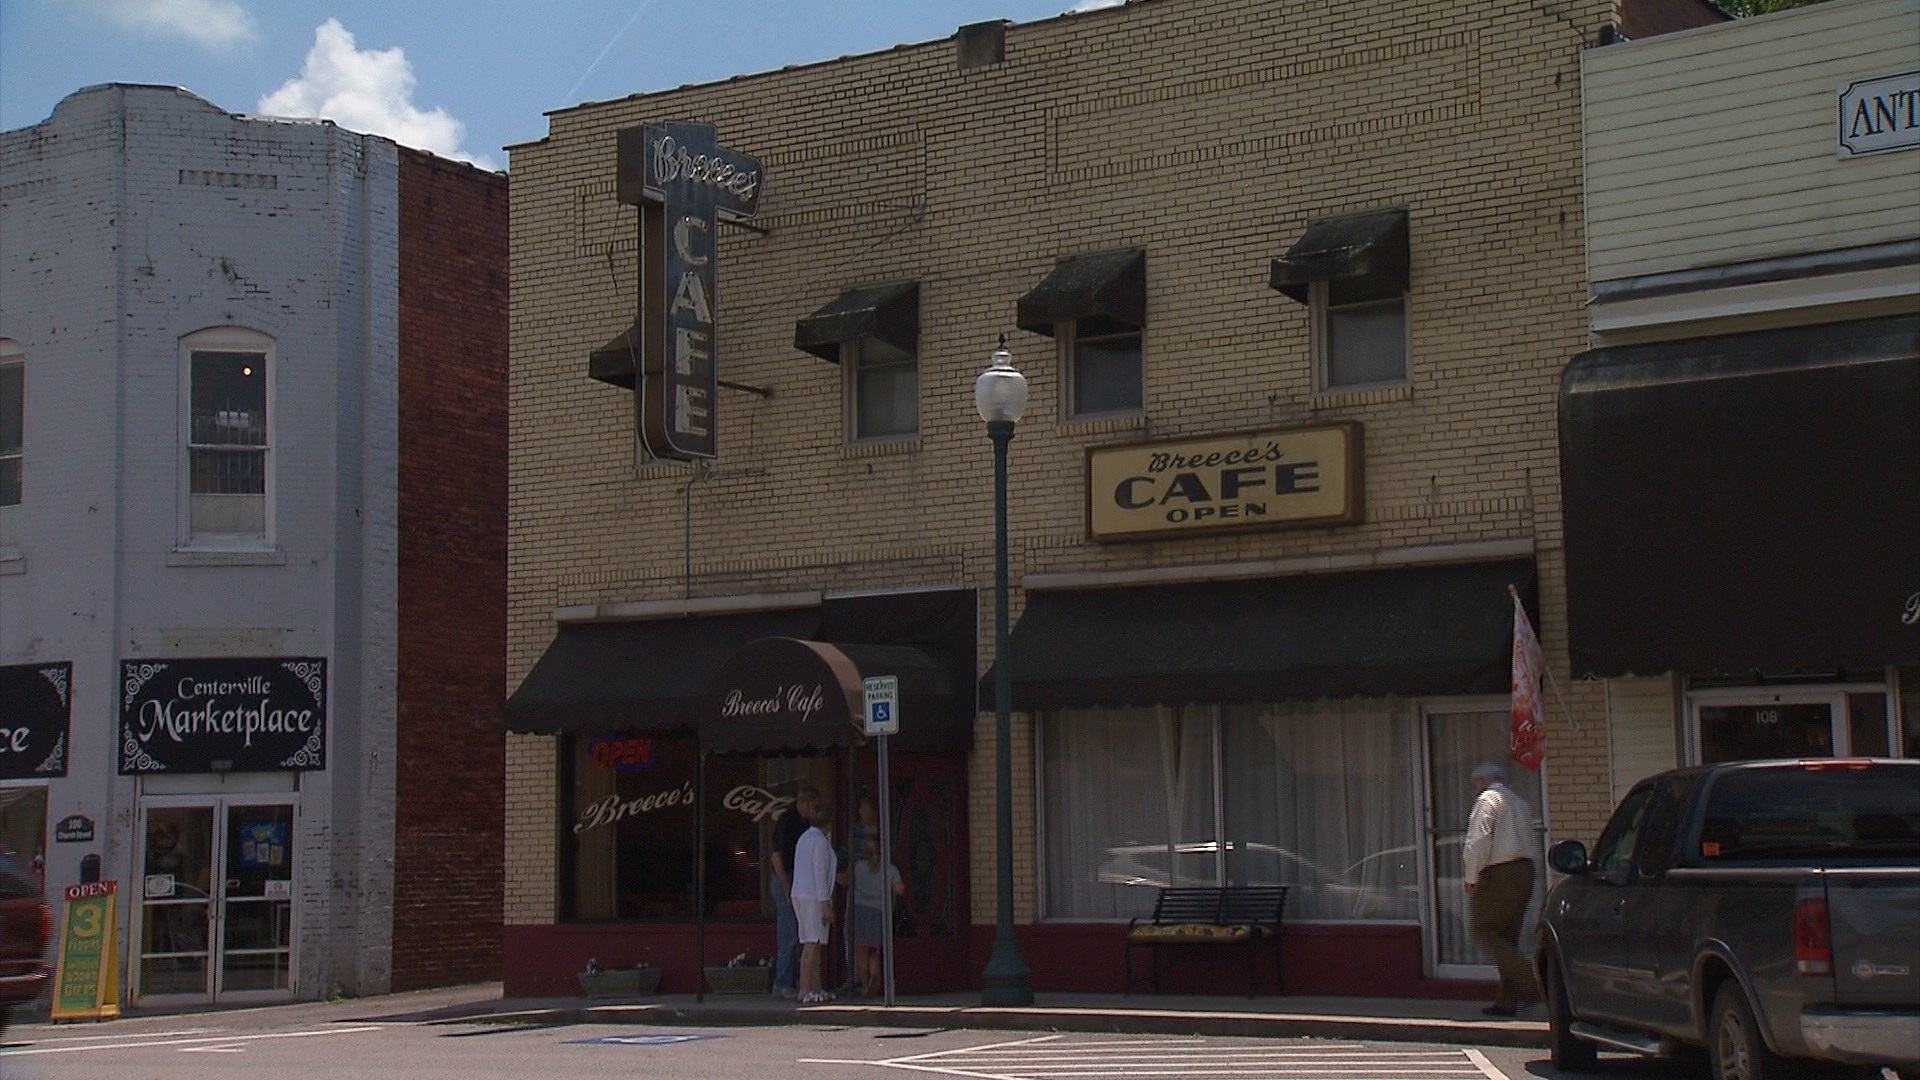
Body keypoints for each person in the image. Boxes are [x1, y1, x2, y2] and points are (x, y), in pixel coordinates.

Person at [1463, 761, 1540, 1016]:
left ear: (1481, 781)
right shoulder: (1518, 802)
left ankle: (1532, 979)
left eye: (1475, 783)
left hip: (1500, 871)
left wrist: (1471, 876)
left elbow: (1478, 840)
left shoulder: (1488, 799)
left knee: (1483, 929)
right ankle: (1507, 1001)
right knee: (1507, 936)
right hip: (1525, 870)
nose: (1474, 788)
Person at [768, 784, 819, 999]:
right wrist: (786, 887)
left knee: (801, 936)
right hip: (786, 882)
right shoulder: (787, 821)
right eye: (813, 806)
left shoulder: (806, 823)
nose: (815, 811)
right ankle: (782, 983)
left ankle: (801, 982)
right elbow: (776, 856)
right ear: (804, 803)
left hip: (799, 885)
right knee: (789, 934)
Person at [791, 802, 839, 1005]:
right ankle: (804, 990)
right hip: (813, 896)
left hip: (801, 894)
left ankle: (816, 988)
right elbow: (819, 873)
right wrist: (825, 903)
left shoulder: (805, 838)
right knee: (811, 943)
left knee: (814, 943)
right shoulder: (819, 842)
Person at [850, 833, 904, 998]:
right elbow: (899, 890)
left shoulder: (857, 867)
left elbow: (845, 880)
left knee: (861, 950)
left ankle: (865, 985)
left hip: (860, 911)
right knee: (874, 949)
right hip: (878, 911)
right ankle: (875, 977)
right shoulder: (889, 868)